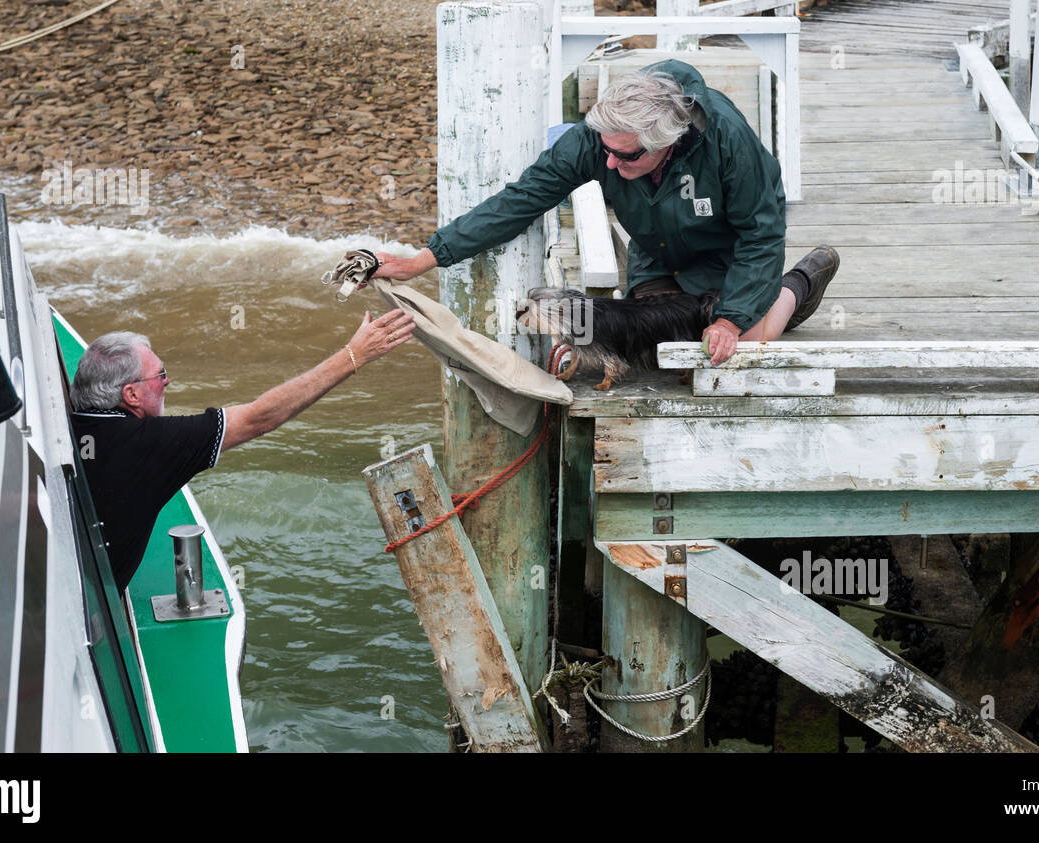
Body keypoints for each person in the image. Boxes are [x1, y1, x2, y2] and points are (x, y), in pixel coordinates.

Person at [370, 60, 838, 366]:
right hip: (658, 258)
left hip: (728, 259)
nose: (610, 164)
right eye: (606, 152)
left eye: (625, 157)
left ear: (666, 145)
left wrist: (731, 319)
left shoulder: (728, 139)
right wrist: (425, 258)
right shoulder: (598, 137)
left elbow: (761, 234)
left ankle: (794, 287)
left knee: (742, 347)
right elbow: (521, 199)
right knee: (654, 351)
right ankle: (755, 303)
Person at [68, 308, 415, 590]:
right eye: (161, 375)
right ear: (130, 395)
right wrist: (353, 356)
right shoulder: (147, 444)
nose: (168, 381)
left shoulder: (69, 420)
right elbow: (259, 418)